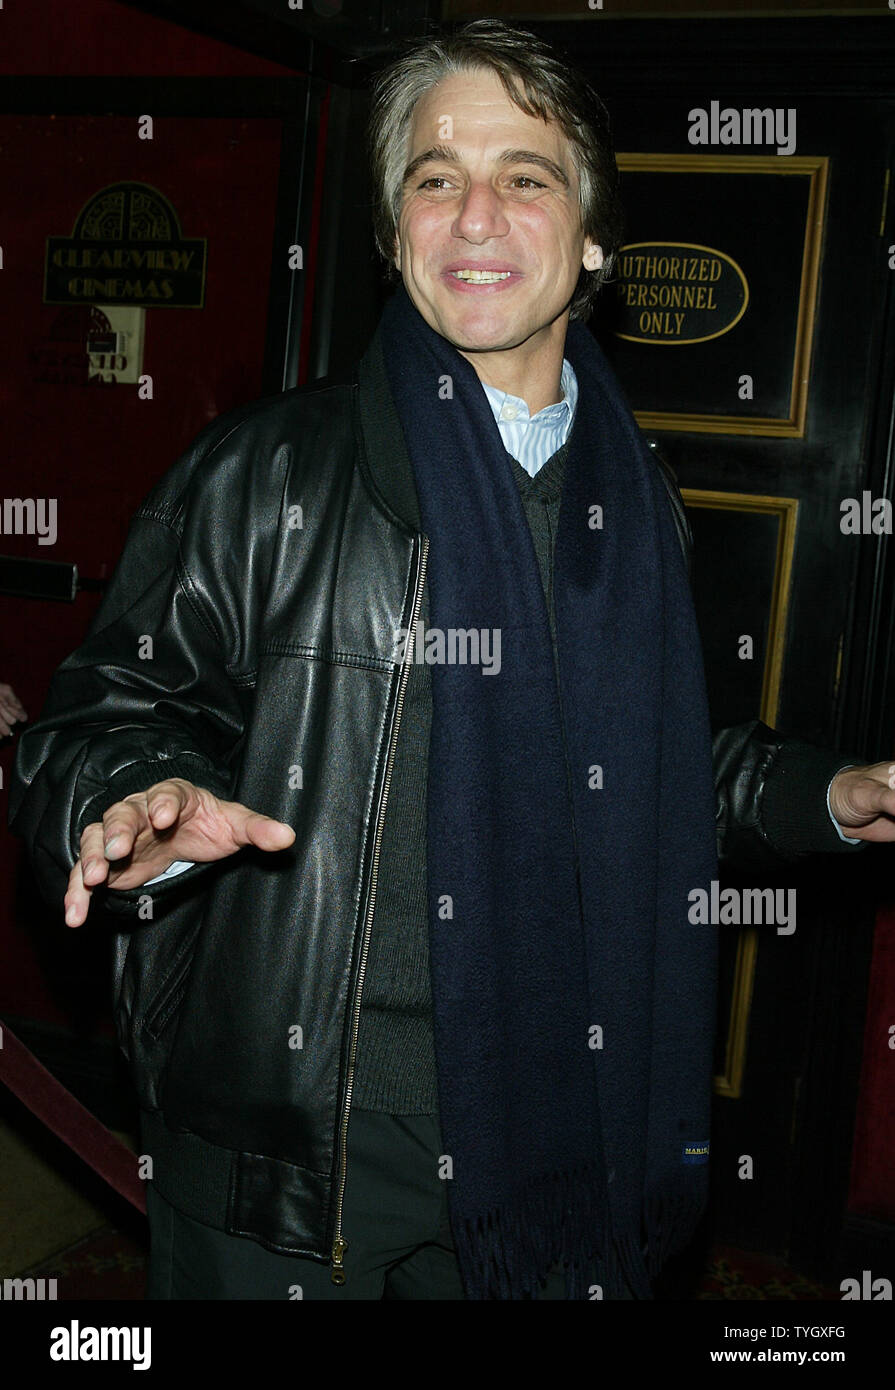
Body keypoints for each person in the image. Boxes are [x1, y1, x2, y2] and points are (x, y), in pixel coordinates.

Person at [9, 19, 895, 1301]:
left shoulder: (636, 503)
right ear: (394, 233)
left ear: (592, 237)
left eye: (525, 176)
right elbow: (96, 720)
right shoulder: (267, 474)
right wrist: (127, 791)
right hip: (303, 1147)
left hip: (556, 1121)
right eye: (435, 177)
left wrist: (826, 791)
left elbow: (641, 778)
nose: (475, 213)